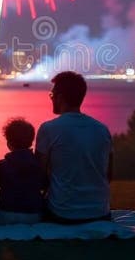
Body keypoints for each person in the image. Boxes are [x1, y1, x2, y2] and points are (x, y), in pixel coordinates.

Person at [36, 71, 113, 224]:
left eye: (52, 95)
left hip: (62, 214)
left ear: (60, 97)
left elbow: (38, 176)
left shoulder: (48, 129)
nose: (51, 99)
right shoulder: (102, 130)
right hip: (100, 212)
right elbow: (108, 175)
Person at [0, 117, 46, 224]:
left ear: (9, 144)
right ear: (31, 142)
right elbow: (43, 184)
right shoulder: (38, 165)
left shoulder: (2, 165)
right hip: (33, 216)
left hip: (5, 215)